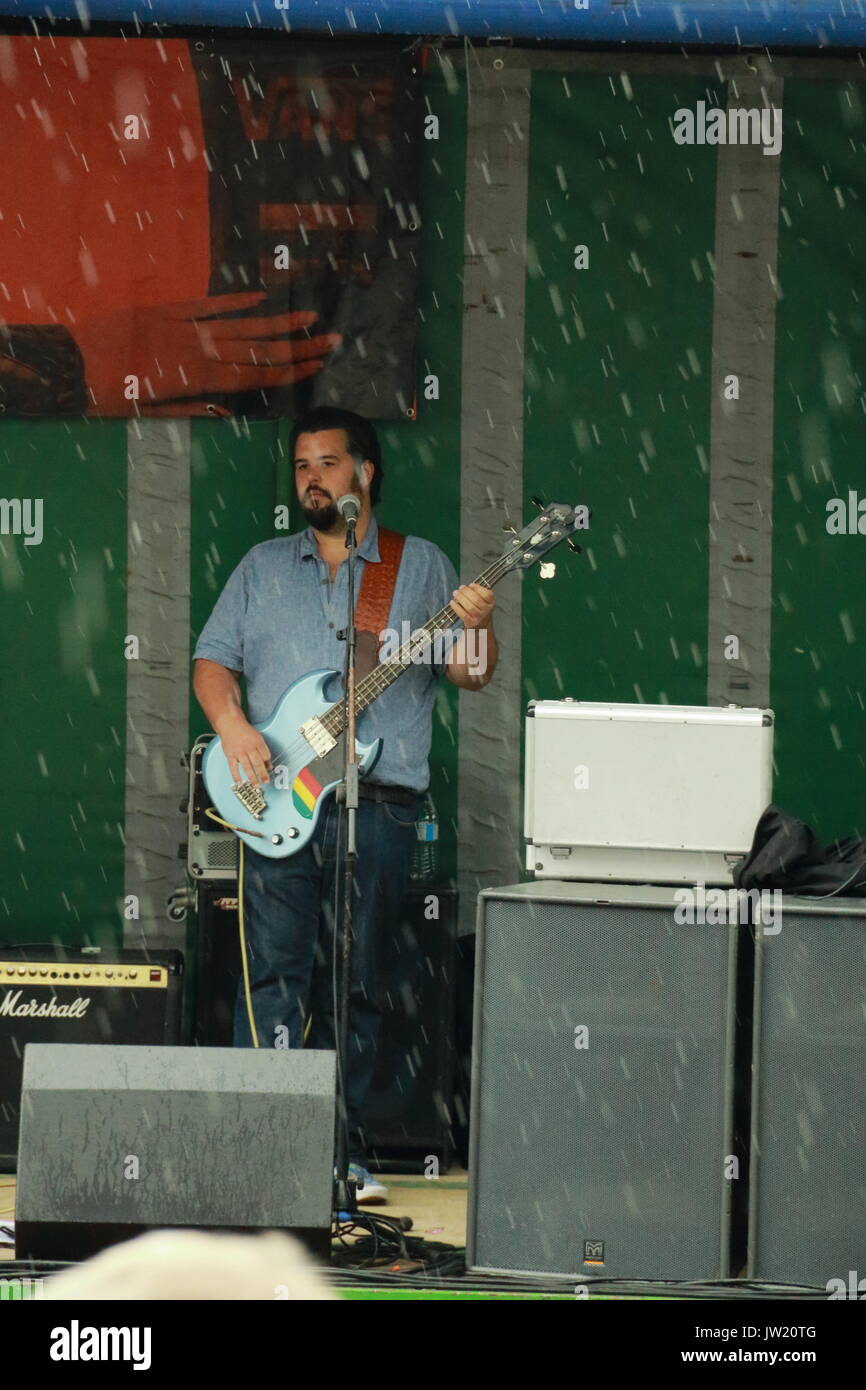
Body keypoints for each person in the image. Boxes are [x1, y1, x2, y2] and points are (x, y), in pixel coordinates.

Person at [193, 406, 497, 1206]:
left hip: (381, 806)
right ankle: (262, 1151)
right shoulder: (262, 567)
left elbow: (470, 674)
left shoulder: (417, 565)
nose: (312, 479)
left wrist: (480, 624)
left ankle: (341, 1155)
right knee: (273, 977)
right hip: (276, 800)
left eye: (327, 463)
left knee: (357, 983)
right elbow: (211, 663)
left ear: (366, 472)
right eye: (302, 466)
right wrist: (233, 730)